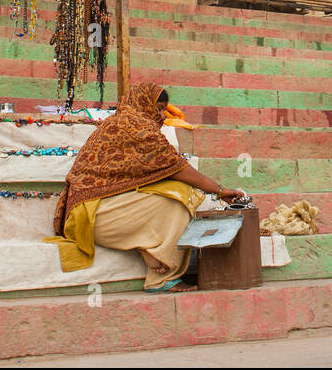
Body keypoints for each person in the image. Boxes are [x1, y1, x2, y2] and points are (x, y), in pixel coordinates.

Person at [46, 82, 245, 291]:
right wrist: (220, 191)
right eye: (159, 109)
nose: (162, 116)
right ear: (143, 104)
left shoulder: (122, 123)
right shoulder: (136, 128)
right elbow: (179, 170)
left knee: (172, 191)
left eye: (163, 110)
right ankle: (163, 275)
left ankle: (148, 251)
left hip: (87, 214)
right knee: (180, 198)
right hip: (89, 217)